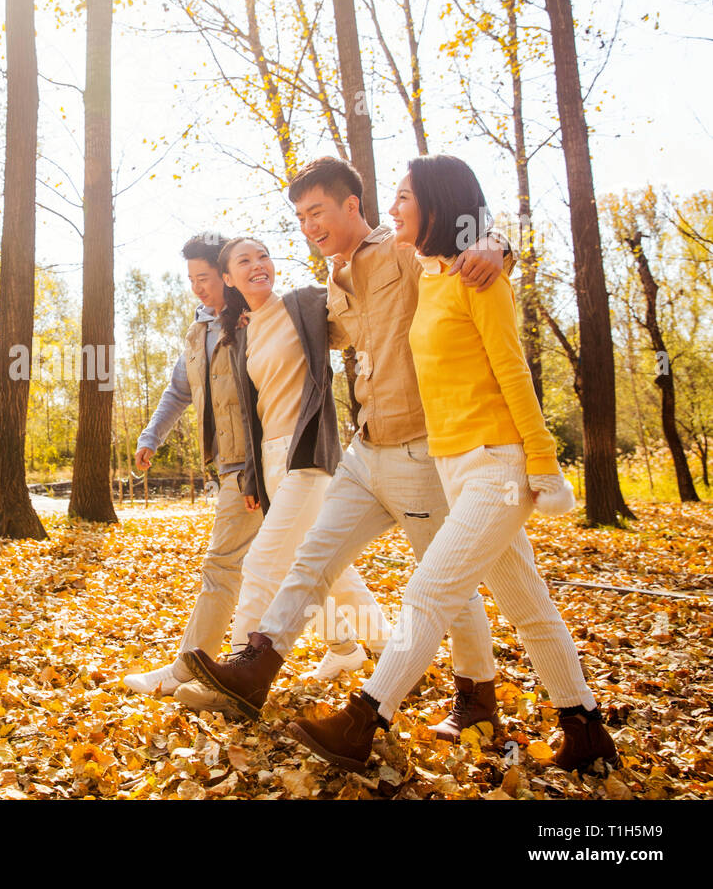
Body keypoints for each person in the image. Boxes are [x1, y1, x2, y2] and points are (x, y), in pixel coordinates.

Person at [280, 155, 616, 773]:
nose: (395, 207)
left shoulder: (475, 276)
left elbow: (513, 370)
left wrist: (543, 465)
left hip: (498, 463)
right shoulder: (431, 275)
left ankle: (363, 720)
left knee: (429, 592)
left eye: (405, 196)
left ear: (435, 204)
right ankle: (586, 727)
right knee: (529, 605)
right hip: (456, 465)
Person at [180, 156, 507, 741]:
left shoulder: (402, 250)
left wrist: (496, 242)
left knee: (445, 581)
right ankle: (257, 665)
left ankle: (476, 696)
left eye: (317, 212)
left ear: (352, 205)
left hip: (420, 445)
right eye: (300, 217)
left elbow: (459, 255)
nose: (308, 226)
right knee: (314, 557)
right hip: (365, 447)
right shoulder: (330, 284)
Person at [174, 236, 391, 719]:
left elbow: (354, 311)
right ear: (229, 278)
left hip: (308, 455)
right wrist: (252, 477)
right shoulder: (243, 330)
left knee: (263, 563)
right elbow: (251, 414)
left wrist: (345, 263)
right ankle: (381, 648)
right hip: (271, 464)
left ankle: (233, 679)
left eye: (263, 256)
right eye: (244, 261)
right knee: (329, 567)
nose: (258, 266)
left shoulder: (304, 304)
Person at [121, 233, 265, 697]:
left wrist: (256, 468)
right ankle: (348, 643)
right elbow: (179, 390)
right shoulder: (199, 327)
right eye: (191, 280)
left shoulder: (255, 318)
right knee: (314, 558)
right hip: (230, 463)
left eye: (203, 278)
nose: (197, 288)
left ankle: (189, 666)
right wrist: (151, 436)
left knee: (222, 565)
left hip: (253, 465)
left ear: (226, 274)